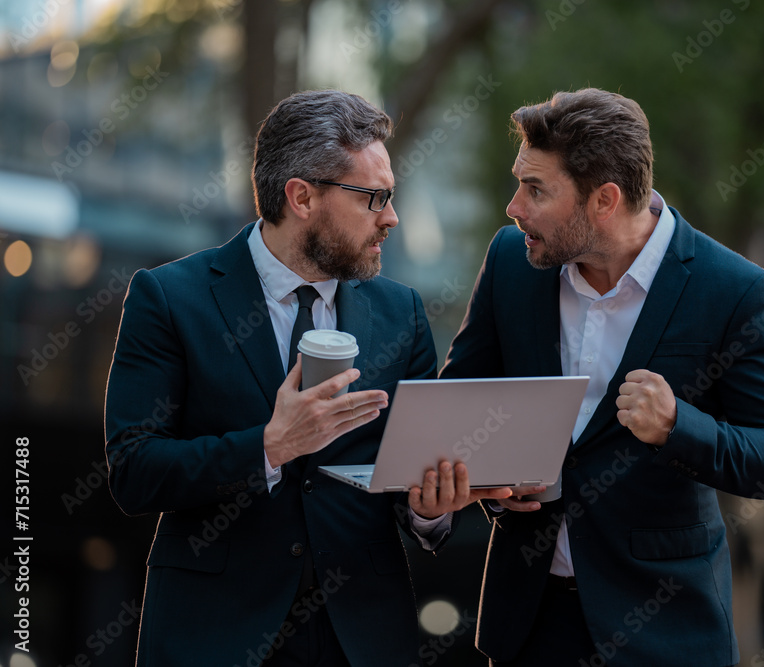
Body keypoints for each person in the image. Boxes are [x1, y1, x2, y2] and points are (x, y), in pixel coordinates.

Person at [105, 89, 508, 666]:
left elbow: (405, 484)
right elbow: (135, 472)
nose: (391, 217)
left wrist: (430, 508)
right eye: (373, 198)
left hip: (363, 638)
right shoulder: (170, 299)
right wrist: (270, 447)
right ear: (301, 197)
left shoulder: (403, 313)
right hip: (215, 635)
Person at [439, 88, 764, 666]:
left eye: (536, 189)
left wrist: (677, 427)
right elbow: (458, 407)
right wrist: (490, 478)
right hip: (530, 627)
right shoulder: (513, 262)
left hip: (665, 633)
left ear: (604, 200)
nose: (514, 208)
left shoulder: (733, 290)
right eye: (520, 182)